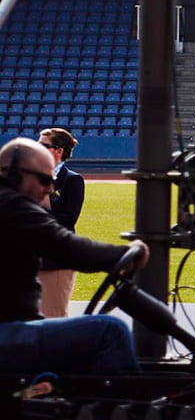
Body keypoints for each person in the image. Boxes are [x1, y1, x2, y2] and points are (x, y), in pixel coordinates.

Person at [0, 138, 145, 376]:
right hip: (8, 331)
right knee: (110, 330)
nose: (50, 189)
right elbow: (66, 246)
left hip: (14, 326)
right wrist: (124, 254)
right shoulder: (11, 206)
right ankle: (133, 411)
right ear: (16, 175)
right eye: (46, 180)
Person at [35, 127, 84, 319]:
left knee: (52, 316)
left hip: (56, 260)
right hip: (28, 257)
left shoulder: (72, 181)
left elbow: (68, 220)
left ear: (58, 151)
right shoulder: (28, 177)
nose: (36, 148)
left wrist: (42, 207)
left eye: (42, 145)